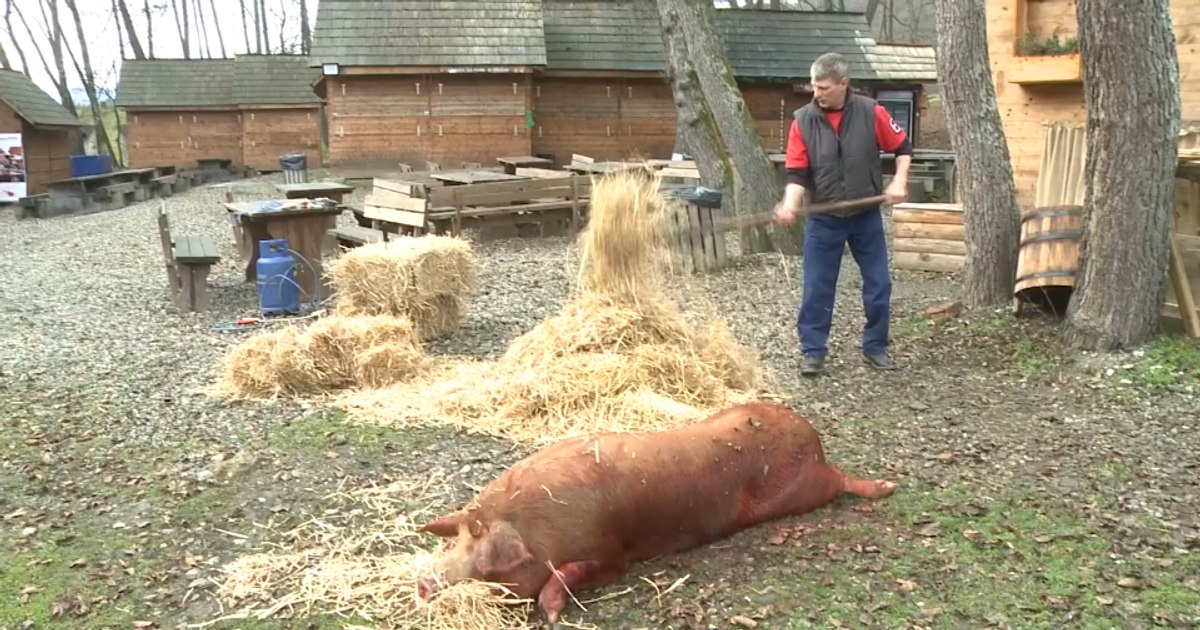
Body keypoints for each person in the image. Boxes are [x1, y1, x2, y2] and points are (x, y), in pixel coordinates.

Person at [773, 52, 913, 377]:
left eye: (823, 87)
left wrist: (899, 180)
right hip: (824, 220)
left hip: (865, 215)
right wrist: (790, 203)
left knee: (879, 284)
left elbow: (903, 148)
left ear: (843, 84)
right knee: (817, 287)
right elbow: (797, 174)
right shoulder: (802, 121)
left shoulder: (870, 111)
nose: (816, 93)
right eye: (813, 86)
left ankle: (875, 347)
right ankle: (813, 351)